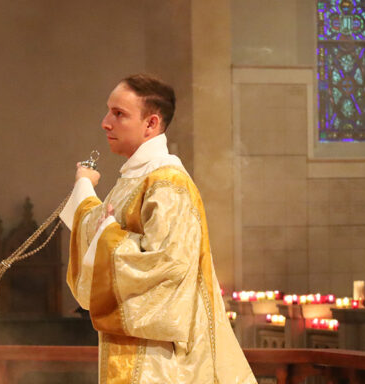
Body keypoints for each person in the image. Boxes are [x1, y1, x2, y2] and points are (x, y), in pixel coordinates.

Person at [62, 74, 255, 383]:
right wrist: (84, 186)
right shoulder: (133, 180)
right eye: (108, 111)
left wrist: (107, 233)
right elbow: (96, 225)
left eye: (119, 114)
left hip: (160, 362)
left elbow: (164, 266)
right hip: (132, 348)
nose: (105, 122)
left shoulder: (169, 183)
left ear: (151, 124)